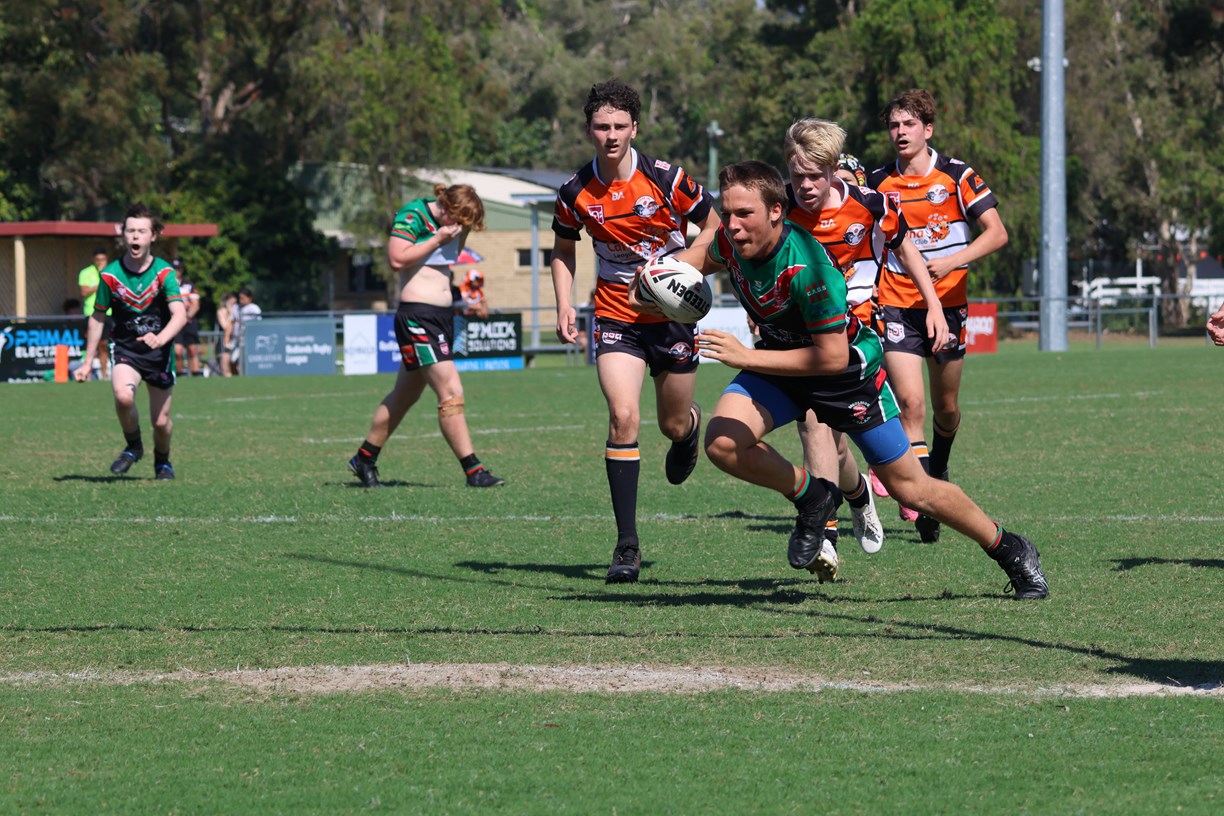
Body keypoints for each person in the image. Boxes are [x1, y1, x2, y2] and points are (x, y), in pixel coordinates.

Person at [682, 160, 1045, 599]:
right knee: (722, 441)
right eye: (729, 212)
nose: (733, 225)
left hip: (846, 376)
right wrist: (653, 280)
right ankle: (814, 497)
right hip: (782, 365)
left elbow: (830, 358)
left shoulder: (810, 268)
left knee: (912, 488)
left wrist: (744, 357)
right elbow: (690, 263)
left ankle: (1011, 548)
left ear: (776, 211)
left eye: (745, 215)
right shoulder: (730, 242)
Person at [550, 79, 719, 583]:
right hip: (615, 313)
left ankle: (688, 430)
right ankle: (627, 546)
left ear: (634, 128)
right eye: (602, 127)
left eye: (620, 126)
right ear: (589, 130)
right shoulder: (575, 190)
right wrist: (564, 301)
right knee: (623, 416)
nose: (611, 135)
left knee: (670, 423)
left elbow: (716, 228)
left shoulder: (667, 179)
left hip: (671, 315)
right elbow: (562, 250)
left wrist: (672, 273)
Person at [783, 118, 950, 556]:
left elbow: (906, 247)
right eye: (796, 175)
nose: (804, 185)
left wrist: (933, 305)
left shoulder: (870, 205)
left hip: (858, 338)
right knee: (815, 427)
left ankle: (862, 499)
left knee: (848, 441)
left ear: (834, 168)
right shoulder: (780, 208)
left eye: (813, 175)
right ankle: (831, 529)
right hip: (805, 337)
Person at [868, 88, 1009, 543]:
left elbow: (997, 234)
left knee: (946, 409)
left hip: (948, 307)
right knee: (912, 404)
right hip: (896, 302)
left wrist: (953, 260)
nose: (900, 132)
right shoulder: (878, 182)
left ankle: (939, 464)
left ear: (928, 130)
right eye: (894, 125)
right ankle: (926, 499)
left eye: (909, 125)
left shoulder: (955, 177)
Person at [347, 184, 505, 489]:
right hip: (418, 316)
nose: (460, 229)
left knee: (404, 397)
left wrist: (460, 232)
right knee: (450, 391)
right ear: (446, 208)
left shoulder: (451, 225)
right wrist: (437, 237)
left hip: (440, 317)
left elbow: (448, 260)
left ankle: (364, 458)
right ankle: (475, 471)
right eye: (460, 221)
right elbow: (396, 259)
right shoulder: (413, 215)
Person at [74, 203, 188, 480]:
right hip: (126, 349)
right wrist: (87, 362)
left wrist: (160, 338)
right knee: (124, 396)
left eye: (142, 231)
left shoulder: (163, 273)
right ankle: (134, 446)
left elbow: (180, 315)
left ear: (153, 236)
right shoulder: (110, 275)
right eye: (130, 231)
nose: (135, 236)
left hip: (159, 354)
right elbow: (97, 317)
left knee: (161, 422)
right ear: (123, 234)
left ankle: (163, 461)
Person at [77, 248, 112, 380]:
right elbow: (84, 292)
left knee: (104, 345)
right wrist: (100, 282)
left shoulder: (111, 272)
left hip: (108, 313)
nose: (100, 262)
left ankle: (104, 375)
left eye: (103, 260)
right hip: (91, 313)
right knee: (91, 345)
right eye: (98, 260)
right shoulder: (86, 273)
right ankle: (87, 373)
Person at [171, 259, 203, 376]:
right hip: (174, 321)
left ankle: (195, 373)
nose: (176, 271)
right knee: (177, 351)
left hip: (189, 321)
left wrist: (186, 317)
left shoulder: (189, 285)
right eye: (174, 269)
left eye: (178, 269)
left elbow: (195, 304)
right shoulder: (167, 285)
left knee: (192, 349)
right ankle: (179, 374)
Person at [230, 287, 262, 374]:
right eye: (240, 298)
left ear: (250, 298)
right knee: (233, 360)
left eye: (243, 298)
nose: (241, 300)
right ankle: (236, 378)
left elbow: (258, 324)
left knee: (246, 360)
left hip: (249, 339)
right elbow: (231, 322)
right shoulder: (236, 307)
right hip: (237, 339)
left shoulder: (254, 308)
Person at [216, 292, 237, 377]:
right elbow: (225, 326)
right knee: (225, 367)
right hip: (224, 340)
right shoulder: (221, 311)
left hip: (236, 338)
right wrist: (230, 313)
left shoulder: (237, 310)